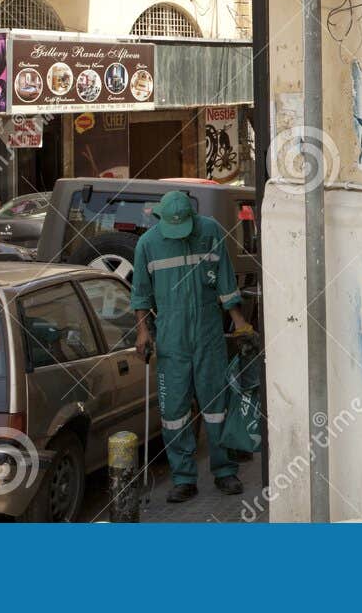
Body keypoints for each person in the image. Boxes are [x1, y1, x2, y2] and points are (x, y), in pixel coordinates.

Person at [131, 190, 252, 501]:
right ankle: (183, 478)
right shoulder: (147, 245)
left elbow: (226, 280)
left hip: (208, 332)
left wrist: (239, 321)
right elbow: (141, 295)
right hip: (171, 336)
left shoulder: (209, 231)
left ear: (192, 218)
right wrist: (142, 331)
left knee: (216, 407)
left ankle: (224, 471)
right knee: (175, 412)